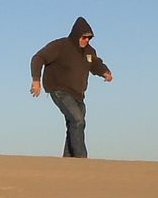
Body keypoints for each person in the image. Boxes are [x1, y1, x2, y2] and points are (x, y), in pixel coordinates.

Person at [30, 16, 112, 158]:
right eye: (84, 37)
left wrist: (105, 72)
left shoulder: (89, 51)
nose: (86, 40)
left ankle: (68, 161)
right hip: (59, 89)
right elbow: (38, 58)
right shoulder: (60, 46)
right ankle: (81, 159)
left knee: (74, 125)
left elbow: (95, 64)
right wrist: (36, 80)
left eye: (89, 38)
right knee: (78, 120)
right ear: (76, 35)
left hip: (78, 94)